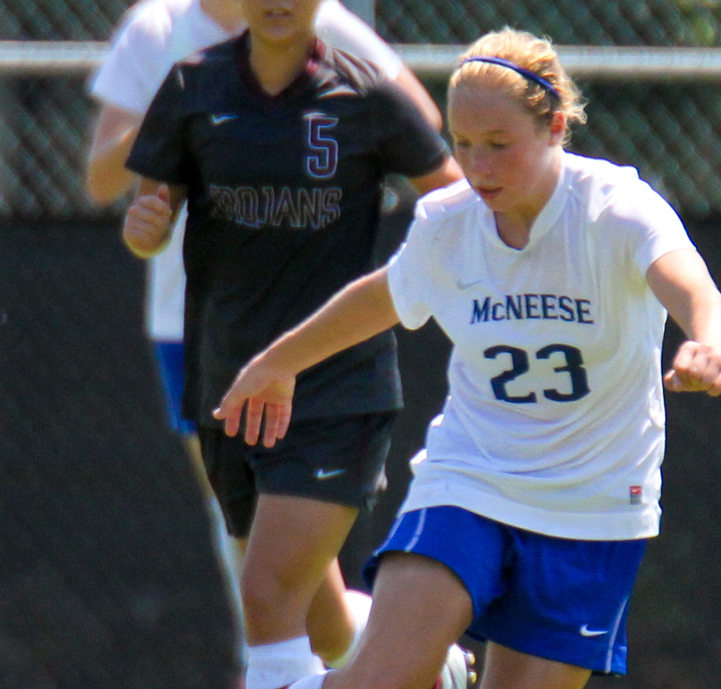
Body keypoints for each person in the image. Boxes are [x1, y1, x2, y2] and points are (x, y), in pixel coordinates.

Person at [212, 25, 721, 689]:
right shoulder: (449, 222)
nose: (477, 165)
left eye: (498, 144)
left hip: (594, 504)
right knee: (383, 679)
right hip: (470, 481)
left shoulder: (616, 210)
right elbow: (384, 296)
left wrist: (710, 345)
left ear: (554, 128)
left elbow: (697, 291)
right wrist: (278, 362)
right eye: (462, 144)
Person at [85, 0, 450, 675]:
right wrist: (149, 216)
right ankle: (422, 666)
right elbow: (122, 192)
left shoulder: (346, 61)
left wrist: (411, 282)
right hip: (216, 351)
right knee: (310, 606)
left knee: (268, 587)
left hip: (332, 368)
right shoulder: (176, 57)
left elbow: (442, 173)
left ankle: (261, 665)